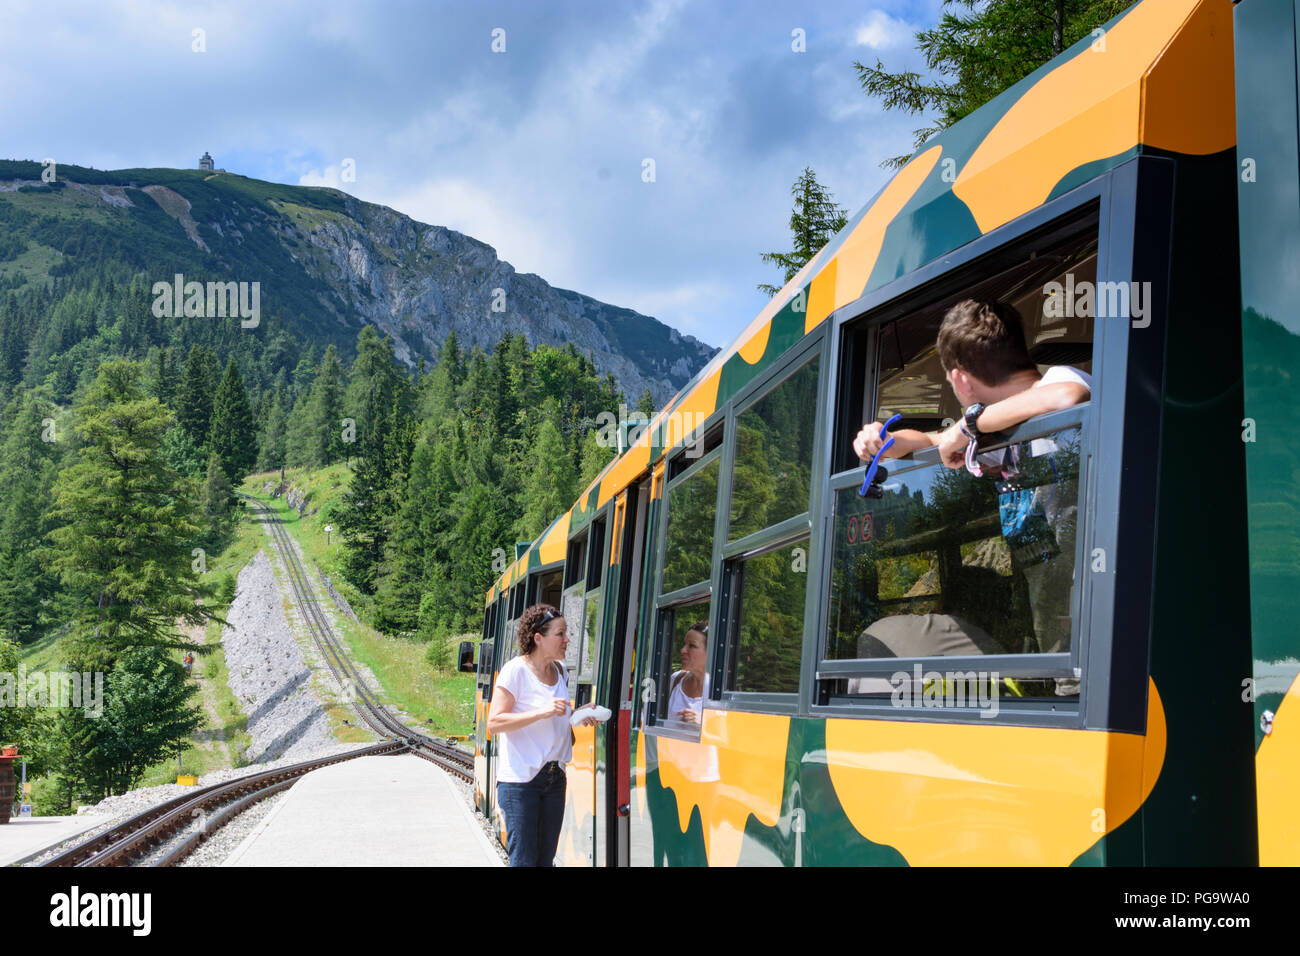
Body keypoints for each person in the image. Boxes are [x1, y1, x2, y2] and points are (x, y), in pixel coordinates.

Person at [852, 297, 1091, 665]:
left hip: (1087, 582)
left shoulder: (1059, 380)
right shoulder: (995, 432)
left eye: (949, 380)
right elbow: (934, 442)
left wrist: (968, 424)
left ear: (961, 379)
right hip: (1047, 583)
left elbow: (1066, 396)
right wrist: (886, 442)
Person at [487, 603, 597, 867]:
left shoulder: (560, 672)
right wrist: (542, 711)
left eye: (566, 633)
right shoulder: (516, 671)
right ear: (538, 638)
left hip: (555, 776)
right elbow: (494, 722)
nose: (566, 639)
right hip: (521, 782)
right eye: (560, 634)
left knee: (545, 861)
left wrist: (579, 714)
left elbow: (557, 718)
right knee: (524, 862)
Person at [666, 622, 709, 725]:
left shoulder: (719, 694)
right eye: (684, 644)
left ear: (710, 652)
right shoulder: (675, 679)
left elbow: (728, 738)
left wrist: (703, 724)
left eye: (692, 646)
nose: (683, 650)